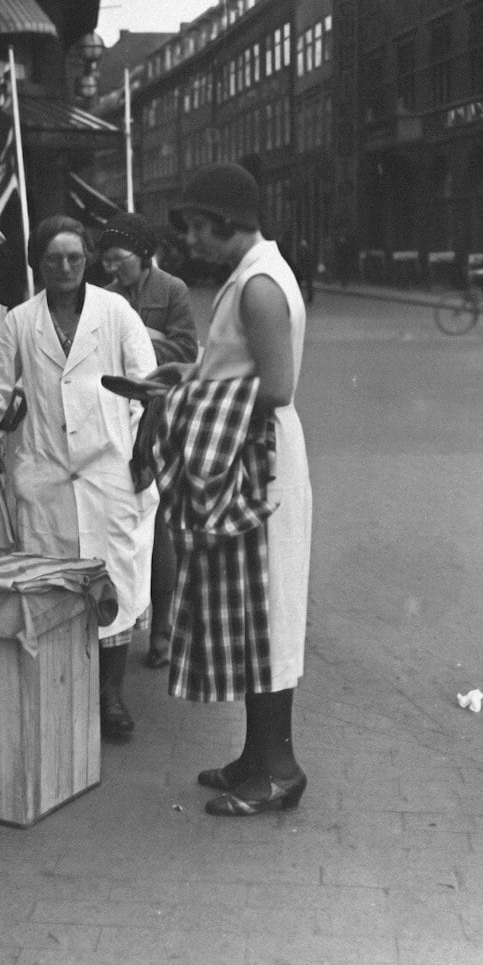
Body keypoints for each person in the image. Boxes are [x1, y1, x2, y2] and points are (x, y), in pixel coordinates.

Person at [157, 162, 313, 816]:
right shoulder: (248, 276)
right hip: (245, 459)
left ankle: (279, 770)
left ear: (227, 224)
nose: (191, 240)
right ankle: (255, 757)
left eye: (196, 226)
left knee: (267, 616)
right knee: (250, 616)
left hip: (260, 466)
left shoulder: (259, 287)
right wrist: (190, 372)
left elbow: (276, 388)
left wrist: (193, 394)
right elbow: (240, 365)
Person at [0, 215, 158, 739]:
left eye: (75, 257)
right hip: (46, 473)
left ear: (88, 260)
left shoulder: (115, 312)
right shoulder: (21, 322)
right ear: (38, 264)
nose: (66, 267)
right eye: (54, 259)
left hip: (108, 471)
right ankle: (61, 689)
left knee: (112, 581)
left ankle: (110, 696)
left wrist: (143, 448)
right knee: (56, 586)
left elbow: (148, 387)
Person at [99, 212, 199, 671]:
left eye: (119, 260)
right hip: (119, 418)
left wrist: (140, 342)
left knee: (162, 526)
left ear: (142, 256)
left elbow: (184, 352)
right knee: (127, 521)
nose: (112, 270)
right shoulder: (103, 297)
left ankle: (163, 629)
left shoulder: (172, 291)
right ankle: (127, 620)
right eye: (107, 261)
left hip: (164, 418)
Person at [293, 236, 315, 303]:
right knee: (305, 284)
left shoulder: (307, 251)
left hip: (307, 270)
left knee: (308, 284)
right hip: (304, 269)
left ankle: (309, 298)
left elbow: (309, 260)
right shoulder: (302, 251)